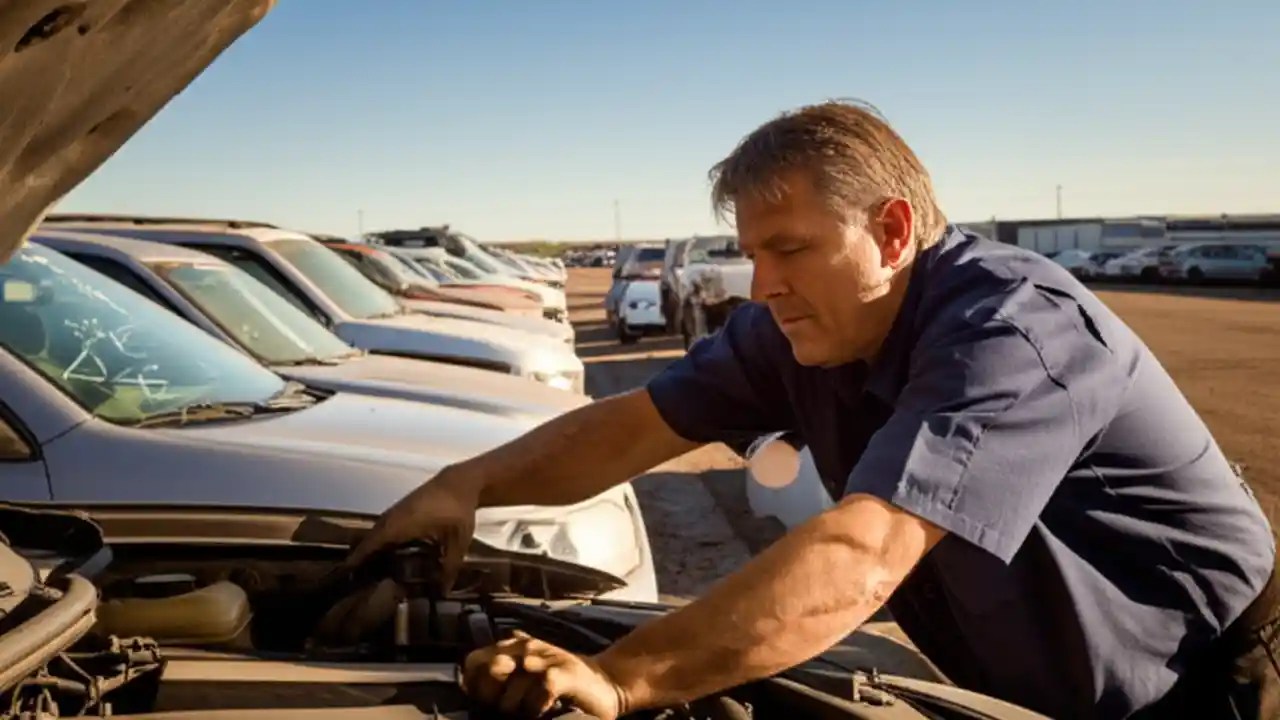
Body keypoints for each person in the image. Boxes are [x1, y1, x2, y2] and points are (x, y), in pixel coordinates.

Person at [345, 100, 1279, 719]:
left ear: (893, 229)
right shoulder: (798, 330)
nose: (764, 284)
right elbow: (634, 425)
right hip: (1031, 673)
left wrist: (622, 678)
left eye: (789, 248)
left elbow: (864, 555)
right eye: (750, 251)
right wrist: (467, 485)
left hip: (1199, 672)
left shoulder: (1013, 333)